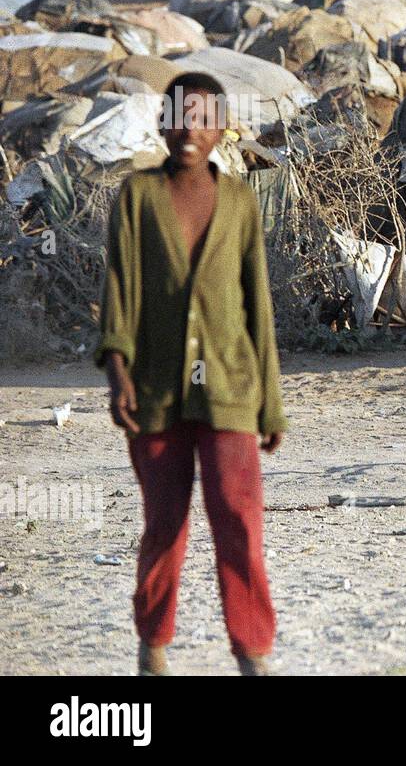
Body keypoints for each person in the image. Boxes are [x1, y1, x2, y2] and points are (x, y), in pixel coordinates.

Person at [96, 61, 286, 676]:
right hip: (154, 391)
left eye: (203, 118)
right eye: (178, 116)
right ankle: (153, 646)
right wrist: (118, 371)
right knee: (164, 525)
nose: (188, 129)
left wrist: (272, 404)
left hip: (230, 387)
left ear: (223, 128)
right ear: (162, 122)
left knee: (238, 519)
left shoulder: (239, 201)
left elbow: (258, 301)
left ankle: (253, 653)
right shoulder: (138, 197)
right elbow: (120, 290)